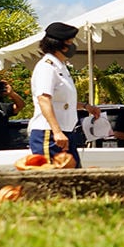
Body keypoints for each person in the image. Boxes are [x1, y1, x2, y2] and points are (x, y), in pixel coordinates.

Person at [28, 22, 100, 167]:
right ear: (59, 44)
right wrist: (57, 131)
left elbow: (62, 102)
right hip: (50, 133)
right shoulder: (46, 67)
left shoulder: (61, 67)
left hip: (66, 132)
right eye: (70, 42)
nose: (73, 46)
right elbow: (44, 99)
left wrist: (86, 107)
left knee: (72, 180)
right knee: (52, 181)